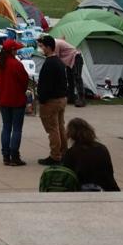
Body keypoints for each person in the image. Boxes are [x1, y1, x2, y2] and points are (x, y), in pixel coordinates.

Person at [0, 38, 30, 166]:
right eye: (16, 49)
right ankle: (15, 156)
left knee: (6, 127)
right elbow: (25, 81)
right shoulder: (16, 64)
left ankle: (5, 155)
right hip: (17, 100)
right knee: (17, 129)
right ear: (12, 50)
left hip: (3, 100)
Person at [63, 117, 119, 191]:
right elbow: (109, 172)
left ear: (71, 134)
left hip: (83, 189)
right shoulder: (102, 148)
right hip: (106, 187)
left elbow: (67, 176)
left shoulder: (71, 152)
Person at [36, 35, 68, 165]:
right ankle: (64, 152)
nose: (41, 49)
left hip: (51, 101)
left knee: (52, 129)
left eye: (42, 46)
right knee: (60, 127)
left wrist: (42, 99)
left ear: (49, 47)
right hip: (61, 99)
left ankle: (55, 155)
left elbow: (46, 85)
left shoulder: (49, 63)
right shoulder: (59, 62)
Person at [51, 36, 85, 107]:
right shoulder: (56, 42)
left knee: (77, 78)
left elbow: (55, 58)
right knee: (70, 79)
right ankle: (71, 98)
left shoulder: (56, 43)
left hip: (76, 58)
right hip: (69, 61)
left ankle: (81, 99)